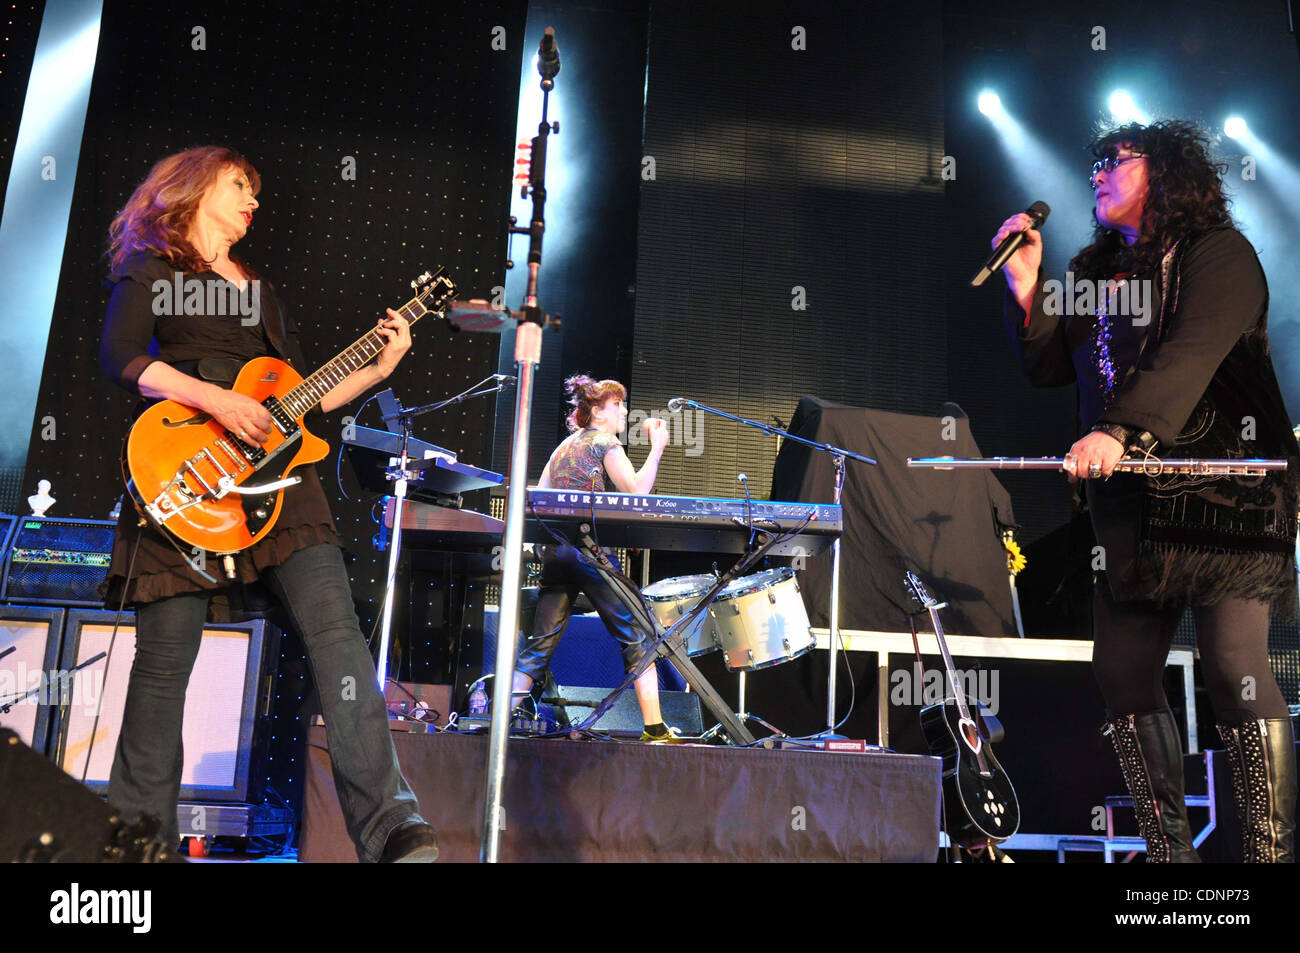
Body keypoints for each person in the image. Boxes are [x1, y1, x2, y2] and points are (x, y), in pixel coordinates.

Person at [99, 146, 438, 862]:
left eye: (255, 191)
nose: (254, 201)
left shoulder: (255, 288)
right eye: (239, 186)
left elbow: (294, 406)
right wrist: (216, 397)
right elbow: (123, 358)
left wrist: (381, 366)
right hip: (186, 471)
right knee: (163, 667)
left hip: (282, 488)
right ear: (191, 190)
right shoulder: (154, 269)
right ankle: (135, 851)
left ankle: (391, 830)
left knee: (339, 640)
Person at [996, 120, 1296, 863]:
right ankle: (1172, 863)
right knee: (1121, 672)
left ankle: (1270, 855)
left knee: (1234, 668)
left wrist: (1119, 431)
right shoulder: (1100, 269)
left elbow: (1188, 356)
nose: (1096, 171)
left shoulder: (1221, 254)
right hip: (1135, 503)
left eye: (1114, 160)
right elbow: (1049, 362)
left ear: (1164, 172)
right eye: (1092, 160)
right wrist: (1028, 288)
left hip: (1228, 494)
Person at [509, 374, 684, 742]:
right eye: (617, 405)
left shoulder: (562, 447)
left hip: (557, 555)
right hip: (590, 554)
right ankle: (654, 728)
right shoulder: (606, 441)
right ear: (597, 411)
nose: (624, 411)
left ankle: (498, 718)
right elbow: (637, 492)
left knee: (538, 646)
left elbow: (539, 500)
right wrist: (658, 448)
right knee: (639, 635)